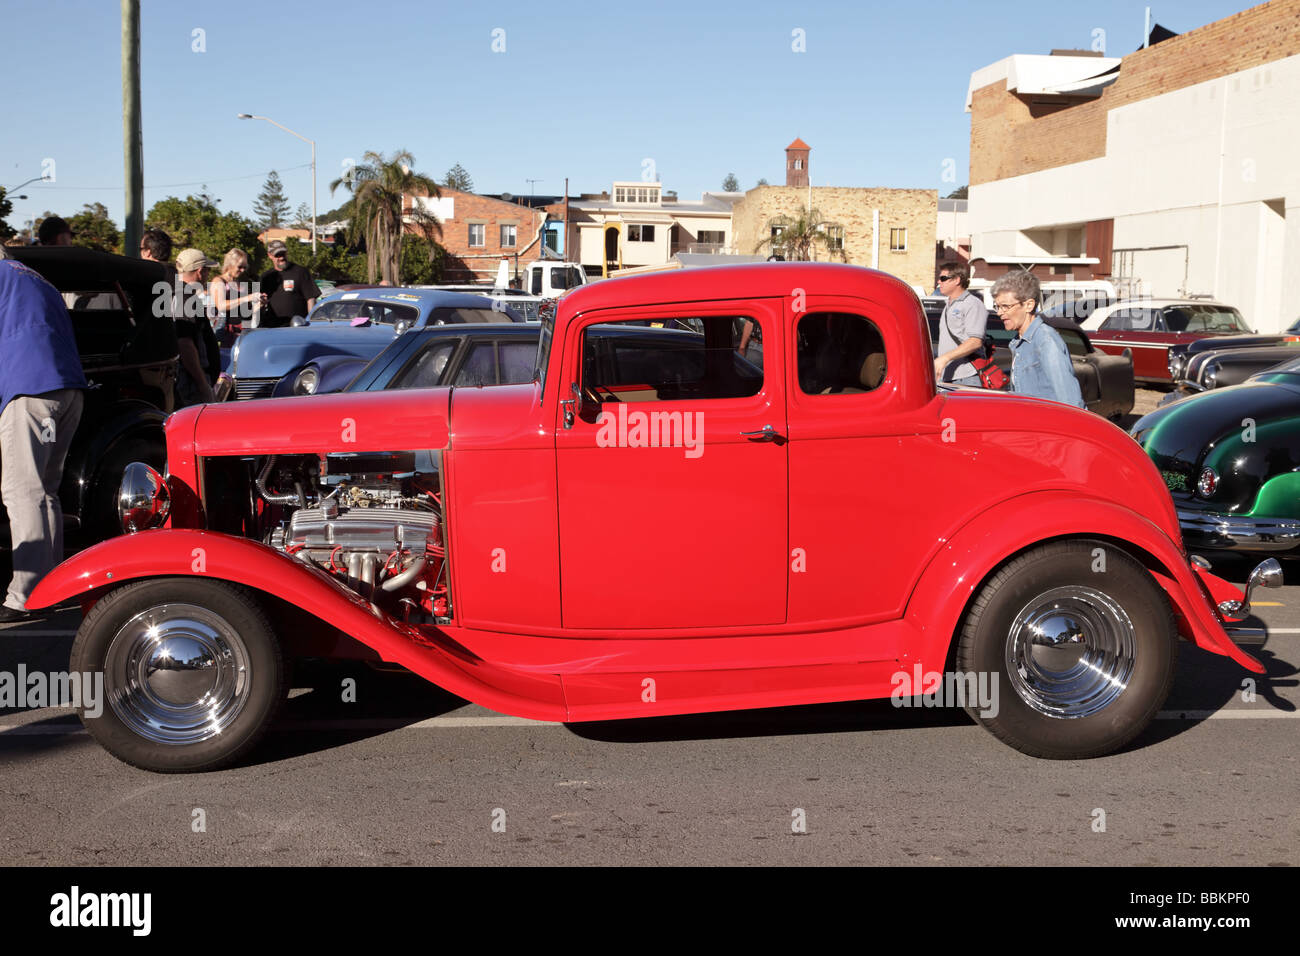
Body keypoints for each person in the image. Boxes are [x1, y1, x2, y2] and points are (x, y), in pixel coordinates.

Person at [0, 245, 87, 622]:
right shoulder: (39, 281)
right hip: (67, 390)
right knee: (45, 492)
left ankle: (25, 595)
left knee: (23, 492)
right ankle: (53, 584)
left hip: (30, 390)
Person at [992, 271, 1085, 408]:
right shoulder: (1019, 342)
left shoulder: (1045, 341)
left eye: (1005, 306)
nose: (999, 312)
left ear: (1029, 305)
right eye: (997, 307)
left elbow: (1070, 401)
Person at [173, 248, 220, 407]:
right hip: (191, 383)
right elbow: (185, 343)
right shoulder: (184, 296)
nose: (208, 275)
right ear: (200, 271)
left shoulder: (176, 292)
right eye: (207, 270)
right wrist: (202, 384)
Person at [933, 261, 986, 385]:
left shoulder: (972, 303)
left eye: (943, 278)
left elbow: (975, 341)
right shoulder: (948, 304)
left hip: (967, 376)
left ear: (957, 280)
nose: (939, 282)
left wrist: (945, 358)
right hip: (948, 376)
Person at [258, 239, 319, 328]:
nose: (282, 257)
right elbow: (260, 303)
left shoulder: (301, 272)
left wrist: (310, 323)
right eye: (277, 255)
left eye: (283, 254)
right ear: (270, 256)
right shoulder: (266, 277)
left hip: (297, 326)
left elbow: (311, 299)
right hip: (272, 327)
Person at [209, 248, 260, 347]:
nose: (242, 270)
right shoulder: (218, 281)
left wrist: (259, 304)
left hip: (242, 332)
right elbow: (221, 306)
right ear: (230, 264)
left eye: (245, 267)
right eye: (240, 267)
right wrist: (246, 298)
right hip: (226, 334)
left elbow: (246, 311)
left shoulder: (239, 283)